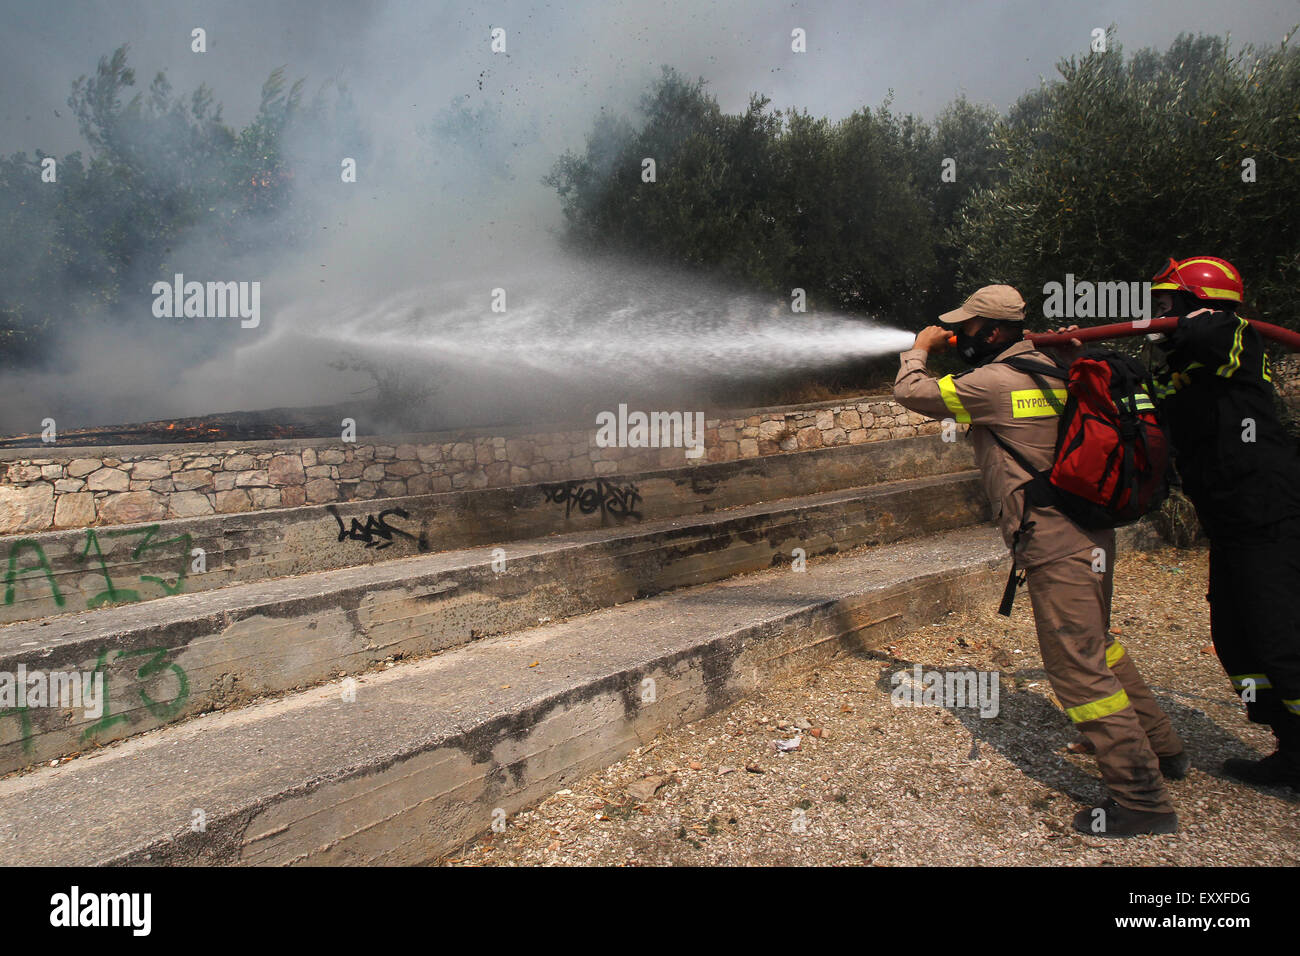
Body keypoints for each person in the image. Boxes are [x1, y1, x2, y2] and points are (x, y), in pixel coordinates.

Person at [894, 284, 1186, 836]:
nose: (961, 335)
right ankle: (1164, 749)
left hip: (1055, 542)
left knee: (1077, 668)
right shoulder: (1056, 363)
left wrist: (920, 347)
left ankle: (1142, 799)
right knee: (1099, 644)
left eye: (968, 327)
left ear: (994, 331)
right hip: (1094, 533)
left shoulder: (995, 382)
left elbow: (913, 393)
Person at [1148, 256, 1300, 788]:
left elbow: (1218, 335)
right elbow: (1144, 397)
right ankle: (1291, 747)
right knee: (1237, 641)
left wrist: (1199, 321)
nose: (1158, 313)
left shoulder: (1234, 342)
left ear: (1197, 301)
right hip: (1228, 519)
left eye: (1166, 302)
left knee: (1280, 637)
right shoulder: (1182, 369)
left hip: (1266, 513)